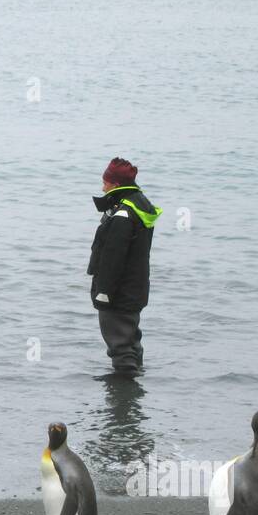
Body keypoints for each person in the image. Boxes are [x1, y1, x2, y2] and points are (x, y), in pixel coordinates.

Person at [88, 157, 161, 376]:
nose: (103, 187)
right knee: (131, 340)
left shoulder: (122, 216)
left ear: (116, 185)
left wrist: (104, 292)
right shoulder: (138, 205)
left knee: (120, 345)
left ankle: (122, 401)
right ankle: (134, 389)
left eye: (106, 182)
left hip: (118, 293)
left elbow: (113, 259)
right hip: (134, 290)